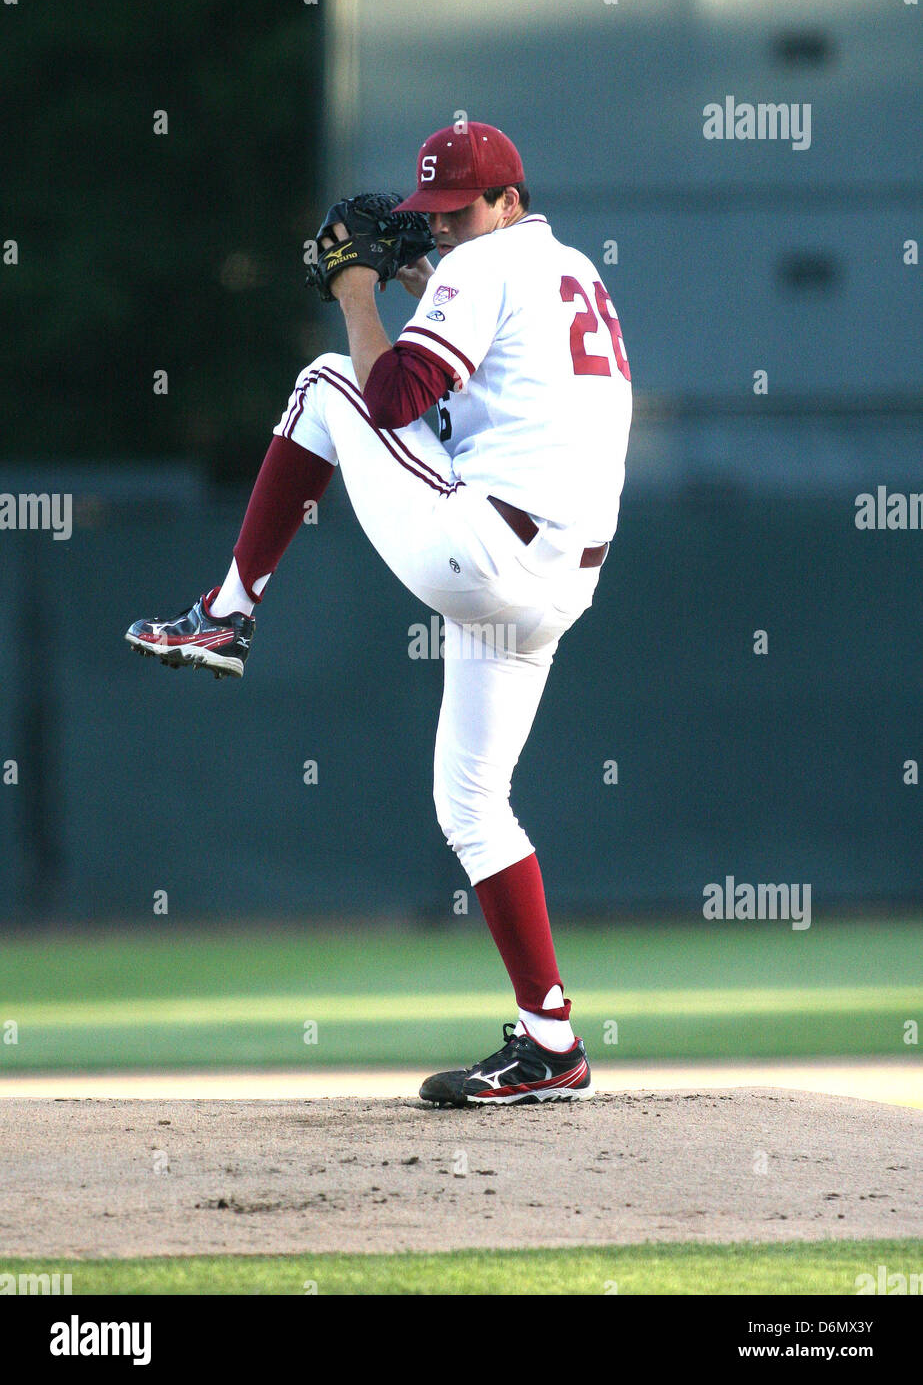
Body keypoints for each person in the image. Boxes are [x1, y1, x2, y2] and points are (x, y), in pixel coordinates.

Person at [126, 122, 632, 1106]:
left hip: (488, 548)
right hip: (555, 582)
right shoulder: (567, 273)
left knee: (326, 380)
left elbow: (394, 399)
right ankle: (551, 1041)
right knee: (471, 804)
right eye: (430, 216)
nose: (441, 228)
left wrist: (354, 287)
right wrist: (413, 283)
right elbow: (488, 388)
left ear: (507, 204)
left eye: (457, 212)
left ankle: (226, 612)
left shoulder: (479, 270)